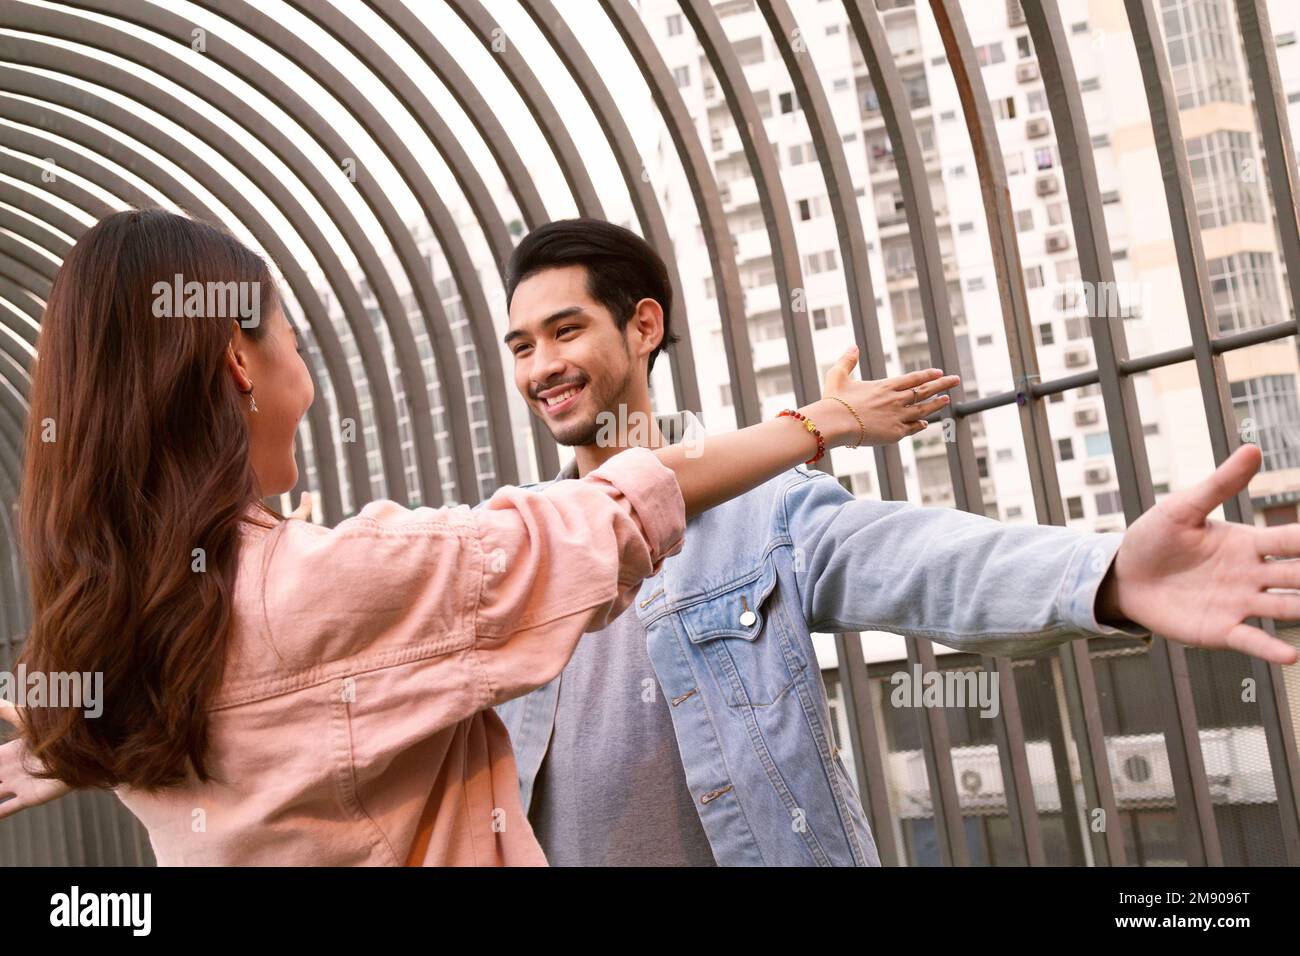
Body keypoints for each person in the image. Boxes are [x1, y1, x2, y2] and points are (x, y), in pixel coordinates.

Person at [0, 208, 945, 865]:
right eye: (290, 337)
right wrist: (824, 422)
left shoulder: (115, 639)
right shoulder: (325, 583)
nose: (308, 376)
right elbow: (614, 511)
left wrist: (60, 745)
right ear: (238, 361)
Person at [490, 217, 1300, 866]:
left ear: (643, 327)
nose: (541, 367)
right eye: (523, 346)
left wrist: (1109, 575)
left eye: (566, 331)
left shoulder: (761, 513)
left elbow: (926, 562)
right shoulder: (512, 548)